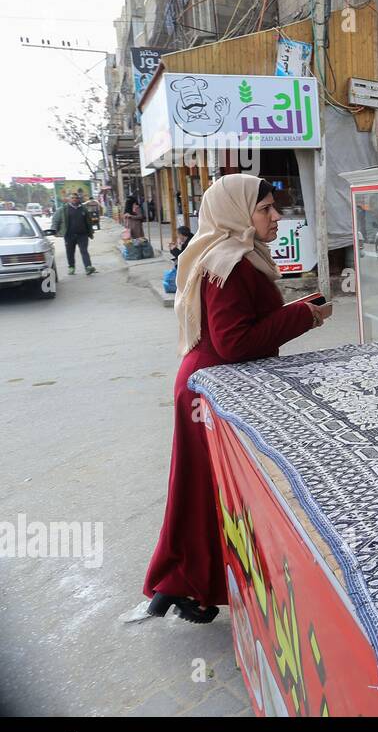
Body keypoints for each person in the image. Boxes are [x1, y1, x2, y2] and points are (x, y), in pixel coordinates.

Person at [140, 174, 333, 623]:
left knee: (204, 488)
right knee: (205, 489)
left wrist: (296, 311)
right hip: (209, 390)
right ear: (236, 213)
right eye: (264, 208)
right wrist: (304, 316)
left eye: (274, 207)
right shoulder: (231, 262)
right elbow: (233, 342)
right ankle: (183, 583)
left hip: (212, 385)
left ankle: (185, 585)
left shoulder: (235, 256)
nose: (276, 217)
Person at [53, 191, 95, 275]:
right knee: (70, 252)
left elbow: (88, 221)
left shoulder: (83, 209)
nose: (74, 199)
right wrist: (54, 230)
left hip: (82, 235)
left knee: (84, 251)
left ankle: (88, 267)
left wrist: (90, 231)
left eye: (76, 198)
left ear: (78, 199)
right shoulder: (63, 209)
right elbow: (56, 220)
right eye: (72, 198)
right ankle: (71, 267)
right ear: (69, 199)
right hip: (69, 235)